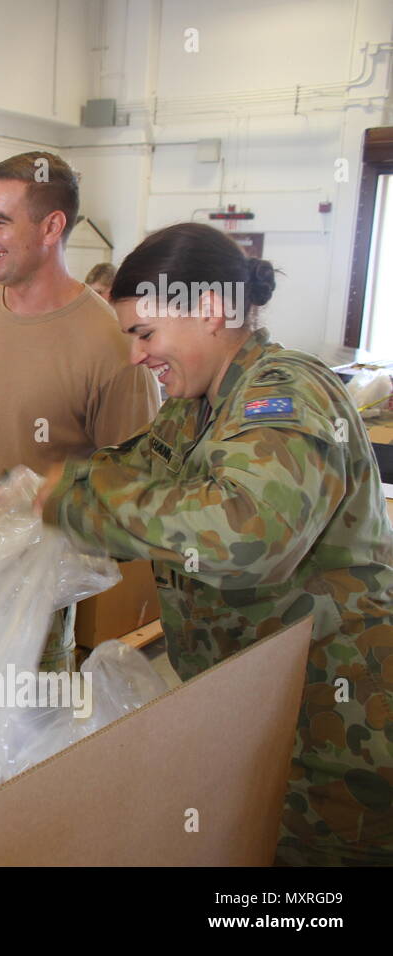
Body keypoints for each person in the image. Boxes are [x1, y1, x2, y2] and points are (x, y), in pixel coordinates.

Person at [36, 222, 393, 866]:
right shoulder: (193, 407)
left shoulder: (286, 394)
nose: (137, 356)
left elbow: (246, 534)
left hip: (332, 729)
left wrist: (74, 500)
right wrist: (31, 498)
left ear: (208, 309)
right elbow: (133, 475)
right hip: (252, 709)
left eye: (145, 334)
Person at [0, 151, 159, 673]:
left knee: (22, 739)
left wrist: (24, 503)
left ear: (51, 227)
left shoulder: (111, 344)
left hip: (31, 595)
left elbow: (133, 488)